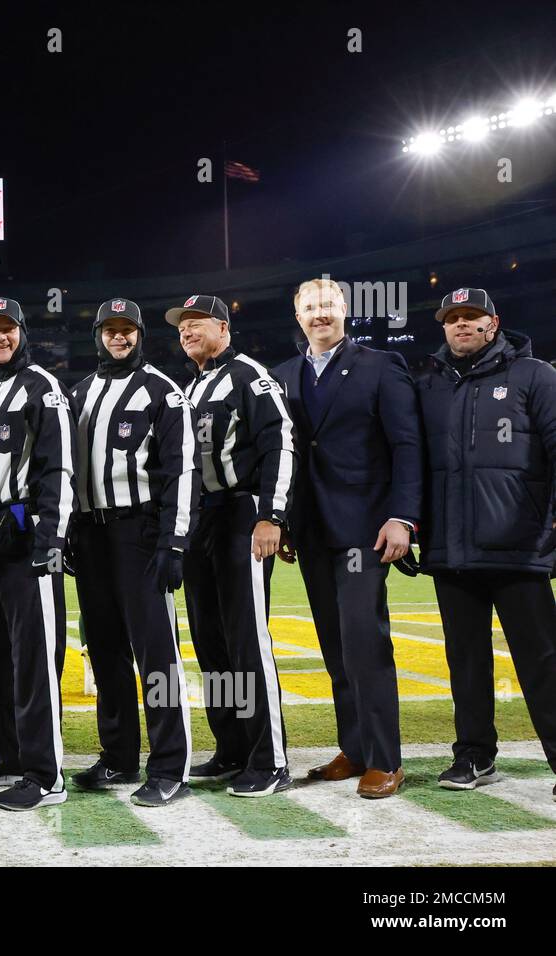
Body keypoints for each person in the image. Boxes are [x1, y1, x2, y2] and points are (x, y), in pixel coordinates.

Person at [272, 278, 421, 799]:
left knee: (364, 641)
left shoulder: (382, 366)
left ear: (345, 310)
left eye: (327, 306)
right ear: (298, 316)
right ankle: (355, 748)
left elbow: (406, 445)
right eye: (309, 307)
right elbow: (284, 456)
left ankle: (386, 759)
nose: (319, 315)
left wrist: (402, 516)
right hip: (312, 530)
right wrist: (285, 519)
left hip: (363, 527)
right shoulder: (284, 374)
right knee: (334, 646)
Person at [416, 288, 556, 801]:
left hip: (519, 546)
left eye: (471, 317)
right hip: (453, 552)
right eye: (452, 319)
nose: (461, 325)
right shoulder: (428, 383)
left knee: (542, 660)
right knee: (466, 661)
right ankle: (474, 755)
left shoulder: (535, 375)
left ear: (493, 324)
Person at [66, 298, 198, 807]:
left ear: (141, 335)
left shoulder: (163, 391)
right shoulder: (78, 393)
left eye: (128, 331)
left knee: (156, 653)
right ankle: (118, 756)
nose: (119, 338)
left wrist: (173, 542)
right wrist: (71, 530)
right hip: (92, 535)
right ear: (97, 334)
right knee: (105, 650)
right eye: (110, 330)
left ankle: (169, 765)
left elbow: (180, 474)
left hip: (140, 533)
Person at [167, 295, 295, 797]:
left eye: (197, 323)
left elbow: (279, 443)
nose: (187, 331)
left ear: (223, 327)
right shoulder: (195, 384)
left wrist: (271, 515)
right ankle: (232, 745)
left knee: (247, 639)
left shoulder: (250, 376)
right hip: (203, 519)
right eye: (182, 326)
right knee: (212, 641)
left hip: (241, 512)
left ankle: (270, 759)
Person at [0, 297, 74, 811]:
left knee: (34, 657)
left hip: (28, 534)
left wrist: (51, 539)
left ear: (22, 333)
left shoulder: (42, 387)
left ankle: (45, 774)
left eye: (8, 329)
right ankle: (7, 754)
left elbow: (58, 469)